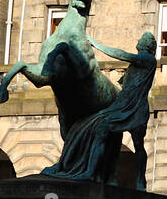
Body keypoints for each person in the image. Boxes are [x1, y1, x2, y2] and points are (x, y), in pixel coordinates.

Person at [41, 32, 158, 189]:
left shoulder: (148, 59)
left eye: (143, 40)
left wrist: (97, 44)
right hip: (123, 105)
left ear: (147, 45)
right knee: (98, 128)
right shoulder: (138, 64)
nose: (139, 41)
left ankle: (132, 180)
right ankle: (94, 171)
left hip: (134, 107)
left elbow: (122, 54)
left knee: (134, 142)